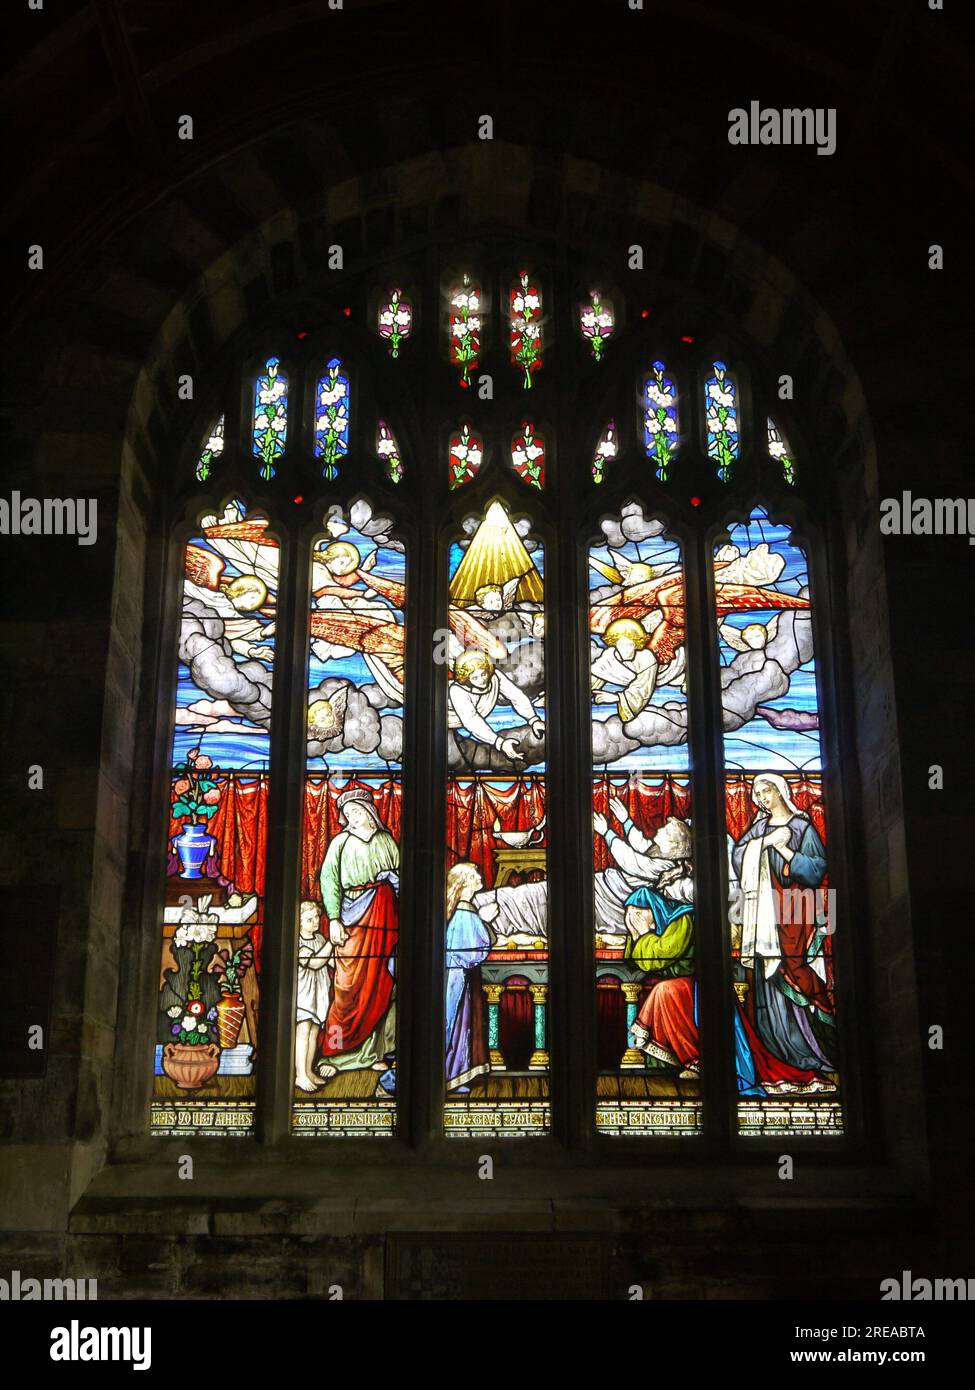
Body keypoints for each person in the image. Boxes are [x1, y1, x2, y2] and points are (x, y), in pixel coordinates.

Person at [732, 773, 836, 1074]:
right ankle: (776, 1048)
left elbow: (816, 870)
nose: (763, 797)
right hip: (765, 916)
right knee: (769, 981)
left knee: (798, 974)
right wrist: (764, 842)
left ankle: (810, 1049)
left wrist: (783, 849)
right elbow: (739, 857)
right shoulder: (759, 829)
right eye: (758, 793)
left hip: (796, 913)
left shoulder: (802, 827)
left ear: (781, 791)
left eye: (767, 791)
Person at [316, 787, 399, 1077]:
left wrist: (395, 879)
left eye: (356, 812)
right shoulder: (339, 843)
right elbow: (329, 881)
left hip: (384, 910)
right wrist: (335, 919)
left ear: (369, 813)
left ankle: (374, 1052)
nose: (351, 817)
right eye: (347, 813)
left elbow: (402, 880)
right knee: (347, 987)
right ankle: (336, 1054)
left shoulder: (387, 841)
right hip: (351, 914)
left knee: (381, 984)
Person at [447, 649, 544, 765]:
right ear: (466, 678)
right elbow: (471, 720)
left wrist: (533, 719)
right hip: (450, 718)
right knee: (454, 756)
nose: (482, 680)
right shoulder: (457, 691)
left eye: (483, 674)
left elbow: (516, 695)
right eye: (475, 678)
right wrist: (500, 742)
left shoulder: (494, 677)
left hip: (475, 718)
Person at [444, 862, 493, 1092]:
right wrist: (487, 921)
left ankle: (455, 1075)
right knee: (456, 1027)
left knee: (458, 1026)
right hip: (458, 980)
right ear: (464, 884)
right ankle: (450, 1076)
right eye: (475, 876)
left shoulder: (462, 909)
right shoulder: (465, 912)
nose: (480, 879)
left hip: (459, 977)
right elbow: (473, 951)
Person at [294, 901, 333, 1092]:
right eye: (309, 919)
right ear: (300, 921)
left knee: (313, 1034)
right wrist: (332, 943)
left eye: (317, 917)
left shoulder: (319, 939)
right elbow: (315, 963)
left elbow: (332, 962)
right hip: (303, 995)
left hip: (319, 995)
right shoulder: (298, 942)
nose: (315, 922)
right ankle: (300, 1075)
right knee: (303, 1032)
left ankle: (308, 1071)